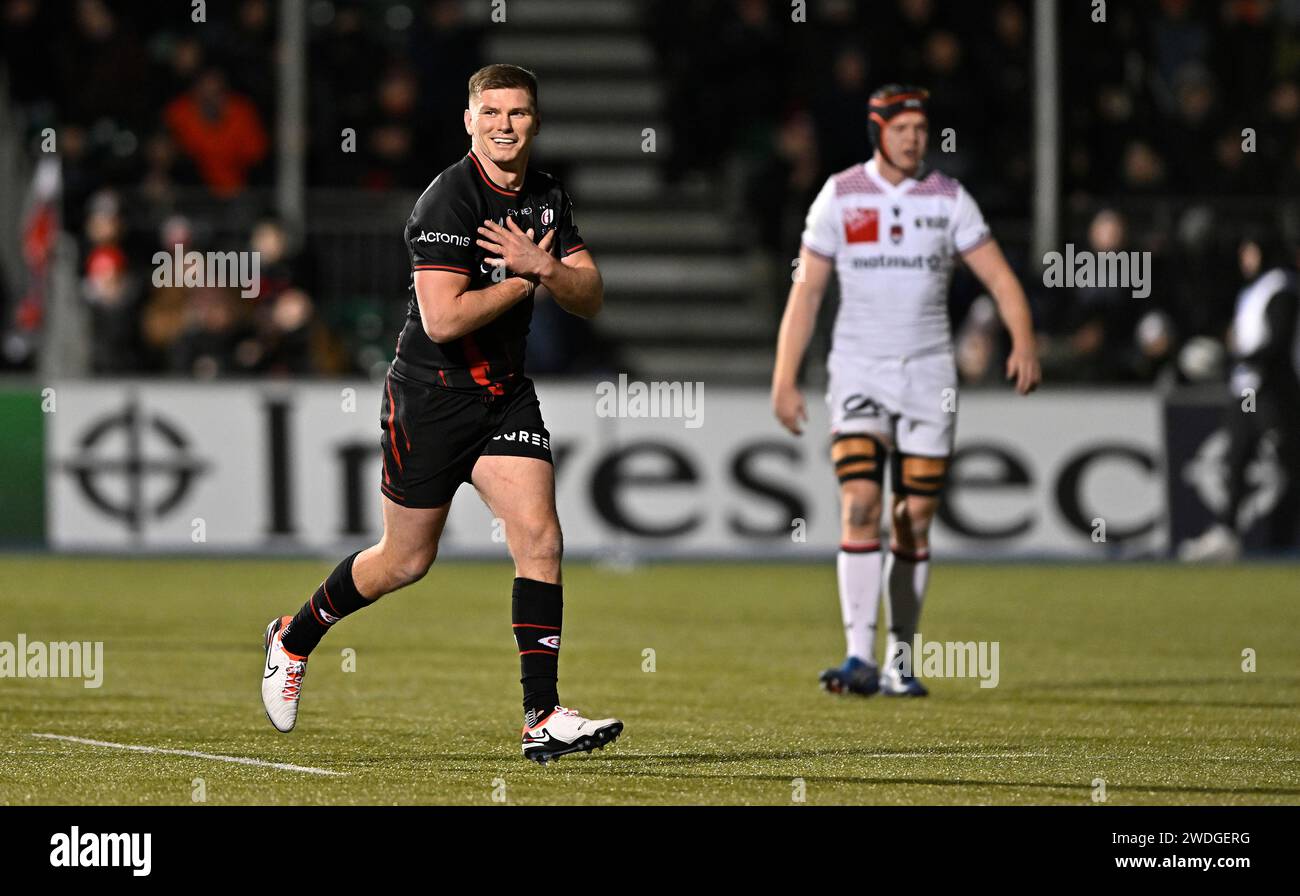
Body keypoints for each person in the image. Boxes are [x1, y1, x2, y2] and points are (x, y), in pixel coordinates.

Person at [260, 64, 623, 763]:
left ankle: (540, 715)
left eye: (517, 113)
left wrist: (548, 272)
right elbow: (444, 317)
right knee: (403, 560)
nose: (504, 125)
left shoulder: (547, 196)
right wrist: (527, 282)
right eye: (491, 112)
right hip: (431, 398)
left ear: (535, 122)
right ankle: (292, 636)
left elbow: (591, 293)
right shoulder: (447, 201)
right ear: (468, 121)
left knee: (540, 538)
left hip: (505, 394)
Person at [771, 85, 1040, 697]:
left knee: (914, 518)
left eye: (922, 128)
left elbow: (1000, 277)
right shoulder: (841, 194)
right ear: (878, 132)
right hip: (860, 372)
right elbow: (807, 291)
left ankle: (900, 662)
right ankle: (858, 657)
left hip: (929, 377)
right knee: (862, 503)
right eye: (903, 128)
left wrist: (1023, 341)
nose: (915, 138)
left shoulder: (947, 198)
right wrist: (784, 376)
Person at [1179, 235, 1300, 561]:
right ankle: (1227, 531)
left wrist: (1240, 359)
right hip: (1246, 389)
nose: (1244, 258)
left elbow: (1278, 340)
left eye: (1249, 250)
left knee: (1285, 459)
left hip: (1273, 388)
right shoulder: (1254, 290)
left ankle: (1282, 538)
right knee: (1237, 458)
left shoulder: (1281, 287)